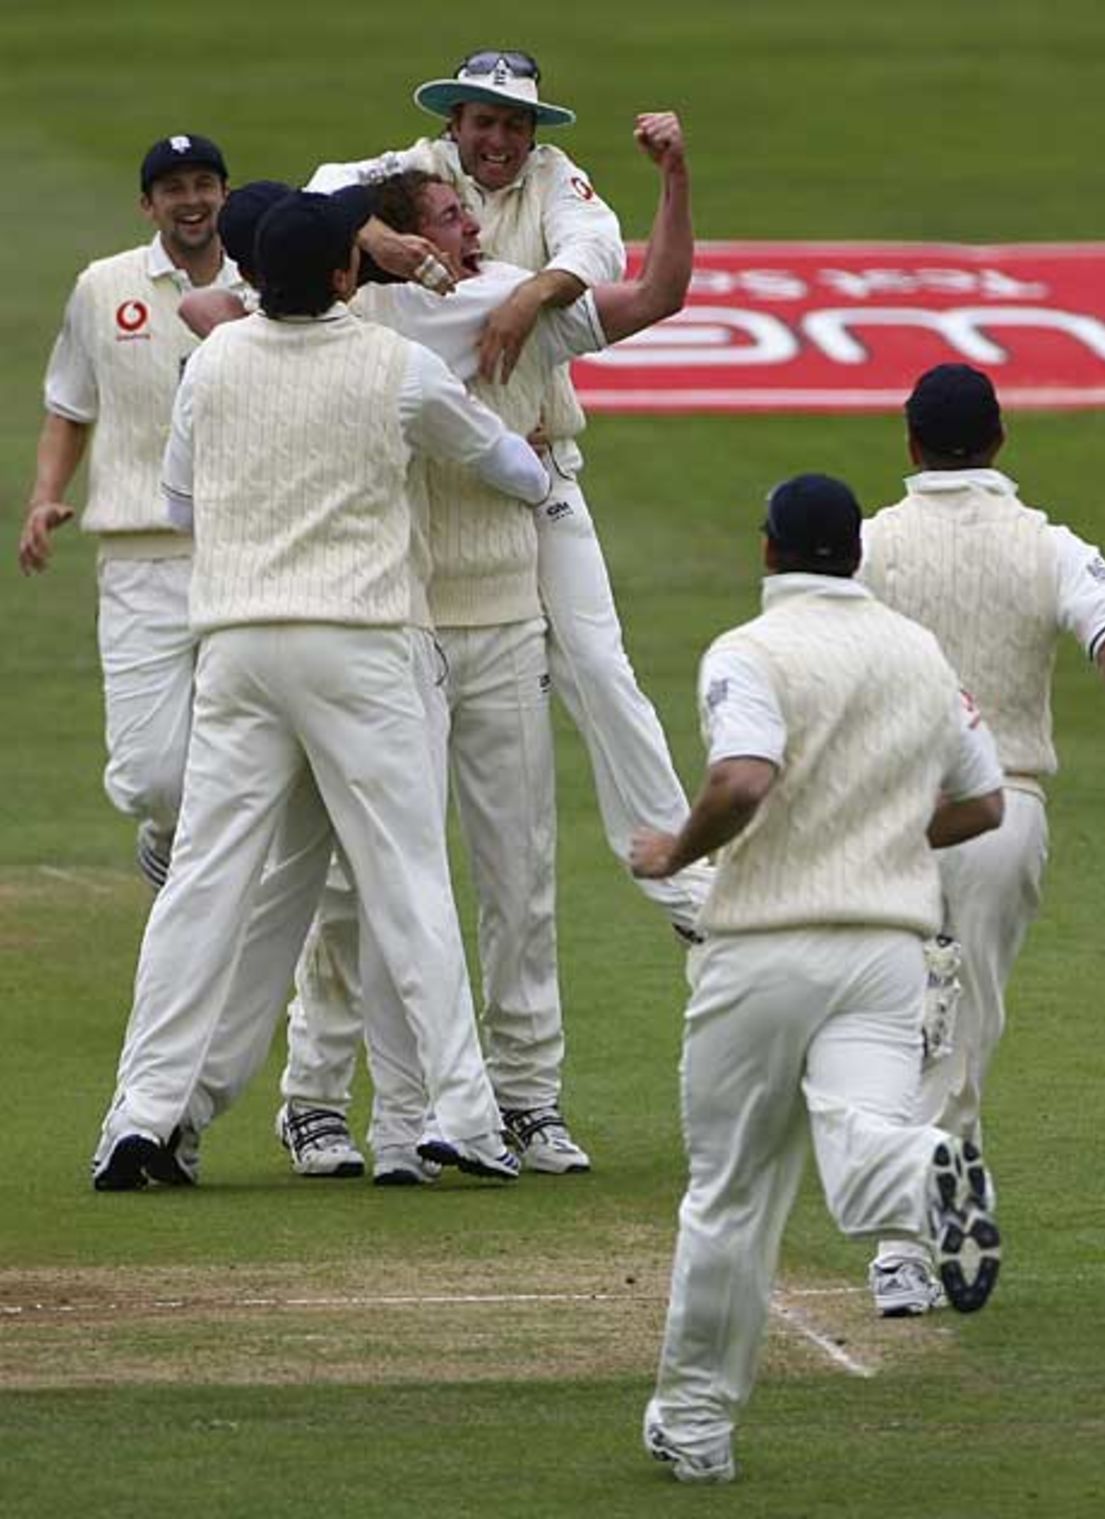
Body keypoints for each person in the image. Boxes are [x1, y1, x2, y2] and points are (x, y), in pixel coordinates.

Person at [90, 189, 550, 1191]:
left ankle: (141, 1114)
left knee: (205, 885)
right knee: (406, 877)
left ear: (256, 277)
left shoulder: (214, 361)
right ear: (347, 276)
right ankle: (465, 1114)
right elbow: (501, 459)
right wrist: (543, 474)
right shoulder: (396, 363)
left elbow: (179, 504)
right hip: (360, 644)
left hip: (239, 646)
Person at [629, 473, 1006, 1484]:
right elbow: (985, 803)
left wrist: (674, 852)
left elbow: (742, 777)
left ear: (769, 550)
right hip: (886, 950)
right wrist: (883, 841)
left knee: (731, 1194)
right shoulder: (922, 654)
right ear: (857, 555)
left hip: (764, 946)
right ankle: (930, 1171)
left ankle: (697, 1427)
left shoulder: (751, 650)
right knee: (864, 1139)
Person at [307, 49, 712, 941]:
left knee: (600, 666)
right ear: (453, 123)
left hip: (540, 472)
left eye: (515, 124)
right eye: (483, 122)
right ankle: (335, 951)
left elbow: (607, 258)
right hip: (416, 492)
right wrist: (381, 239)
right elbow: (317, 191)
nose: (498, 140)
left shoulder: (554, 179)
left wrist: (529, 297)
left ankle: (687, 885)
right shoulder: (409, 173)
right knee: (380, 713)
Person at [858, 363, 1105, 1315]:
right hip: (1002, 814)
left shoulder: (868, 544)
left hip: (886, 816)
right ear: (1001, 440)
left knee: (905, 1022)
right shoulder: (1053, 546)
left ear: (911, 445)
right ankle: (915, 1234)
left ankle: (913, 1229)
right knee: (955, 1030)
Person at [18, 134, 246, 889]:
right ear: (148, 205)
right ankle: (163, 834)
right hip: (138, 558)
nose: (191, 201)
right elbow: (68, 407)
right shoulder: (103, 287)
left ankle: (238, 910)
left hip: (241, 552)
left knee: (246, 755)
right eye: (173, 188)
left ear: (225, 193)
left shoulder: (264, 278)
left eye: (204, 184)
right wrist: (45, 497)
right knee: (154, 775)